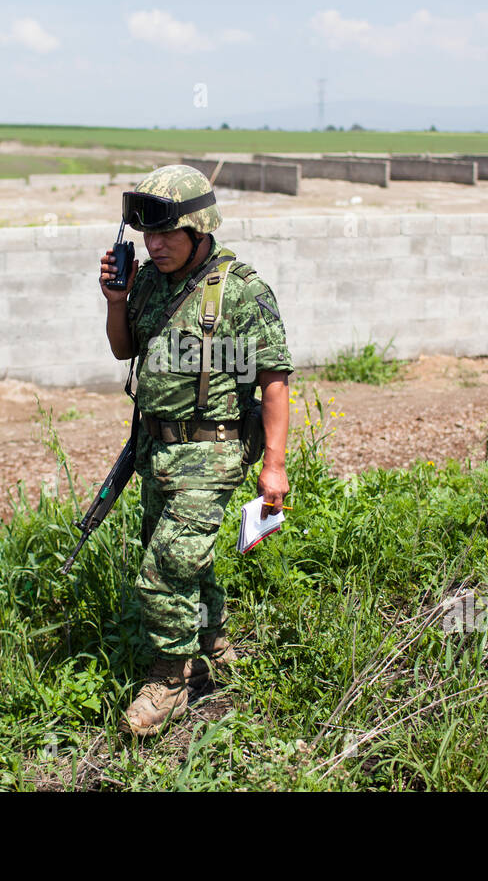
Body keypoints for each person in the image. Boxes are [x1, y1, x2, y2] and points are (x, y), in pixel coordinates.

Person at [99, 164, 292, 736]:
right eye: (146, 236)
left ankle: (171, 678)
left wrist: (274, 467)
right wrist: (116, 299)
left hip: (213, 453)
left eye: (165, 235)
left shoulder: (242, 290)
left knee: (165, 567)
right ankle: (216, 641)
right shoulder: (152, 281)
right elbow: (123, 349)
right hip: (155, 451)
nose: (153, 246)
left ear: (199, 228)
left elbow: (274, 379)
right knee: (187, 559)